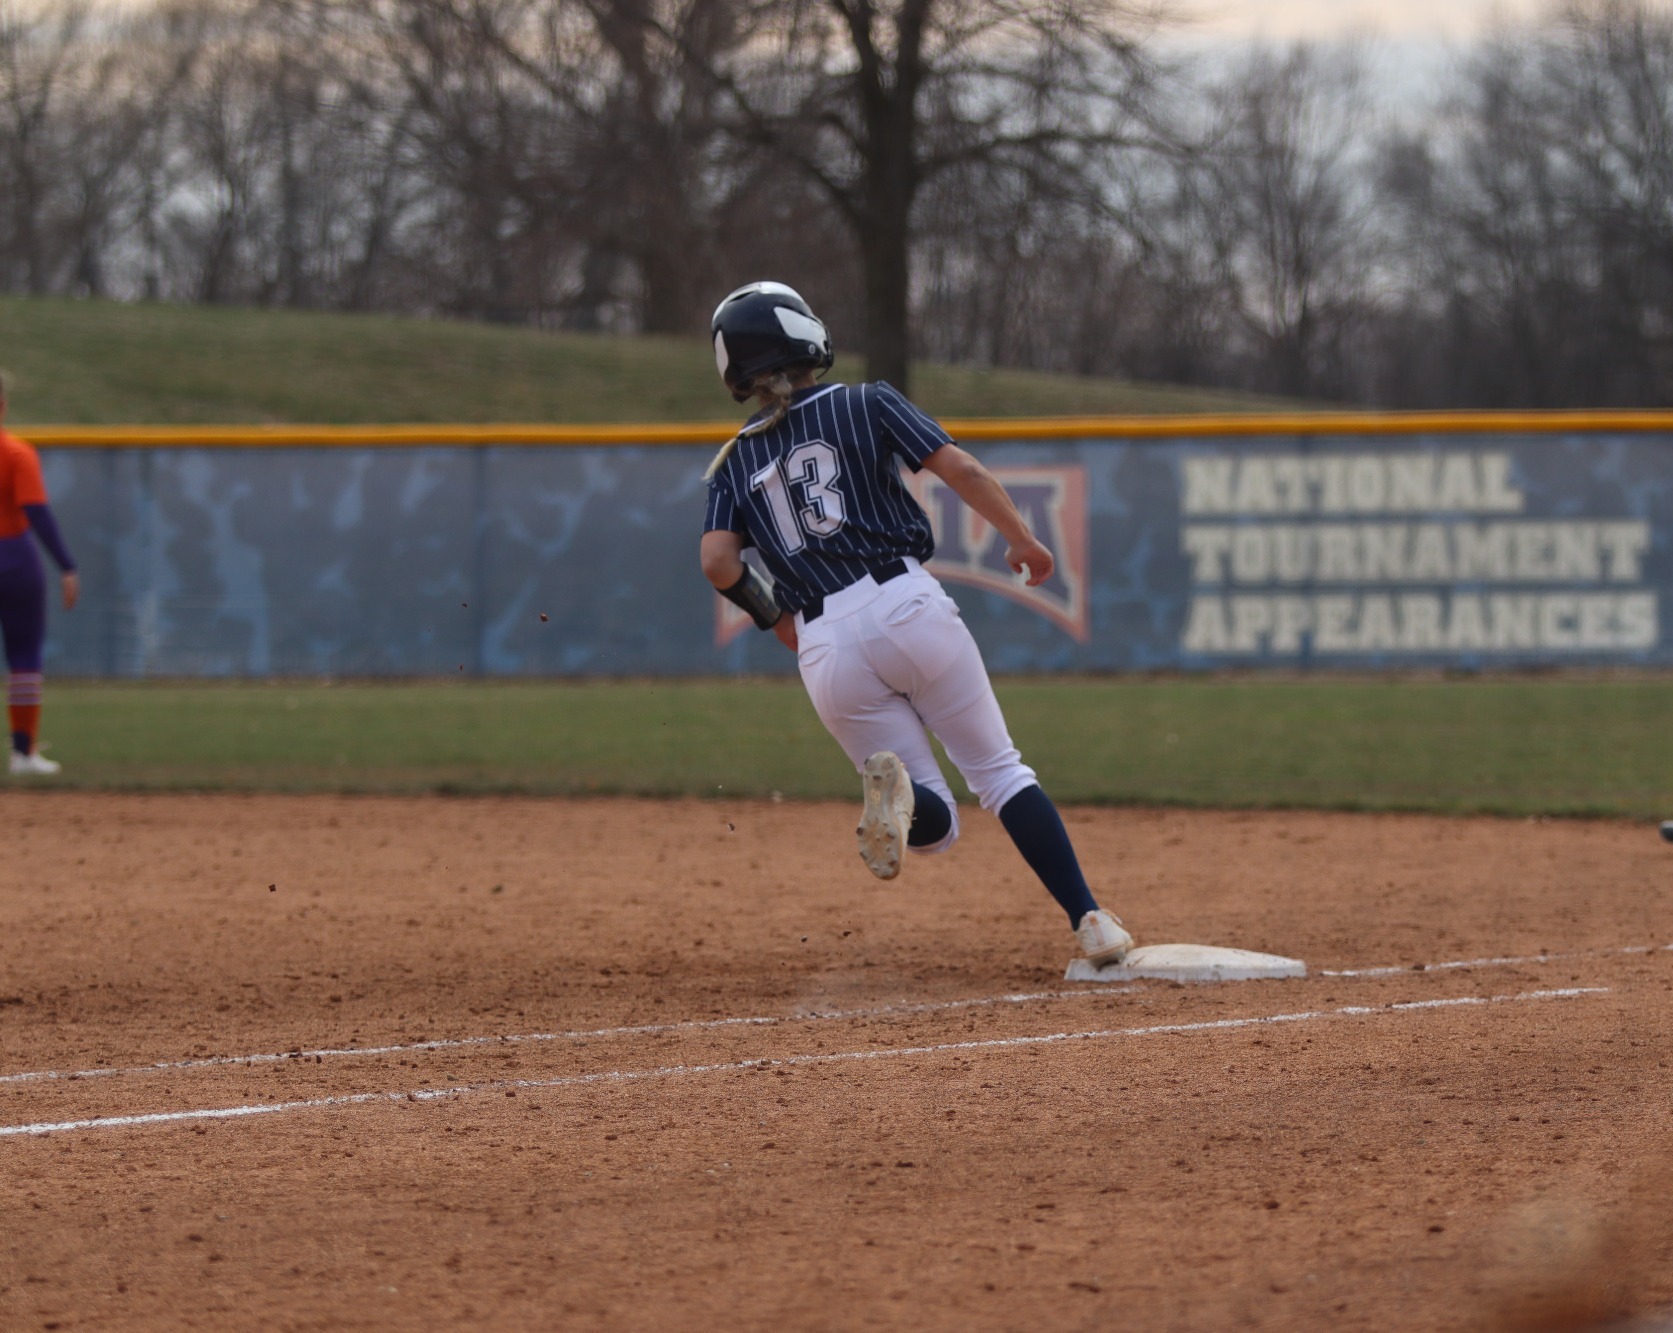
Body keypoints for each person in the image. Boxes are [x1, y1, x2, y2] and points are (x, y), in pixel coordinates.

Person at [698, 281, 1133, 967]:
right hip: (903, 604)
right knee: (998, 772)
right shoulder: (864, 401)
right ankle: (1090, 919)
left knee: (935, 828)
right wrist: (1019, 537)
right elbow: (956, 465)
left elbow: (717, 560)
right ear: (802, 336)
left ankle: (904, 798)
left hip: (823, 645)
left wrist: (775, 615)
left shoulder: (735, 458)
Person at [0, 372, 78, 775]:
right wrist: (66, 564)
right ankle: (22, 753)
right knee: (24, 657)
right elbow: (37, 513)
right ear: (3, 405)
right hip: (13, 556)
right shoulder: (15, 453)